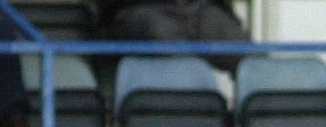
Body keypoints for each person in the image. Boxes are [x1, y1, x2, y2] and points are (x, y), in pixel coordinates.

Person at [98, 0, 250, 73]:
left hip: (199, 7)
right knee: (173, 50)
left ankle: (259, 122)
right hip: (141, 7)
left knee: (249, 57)